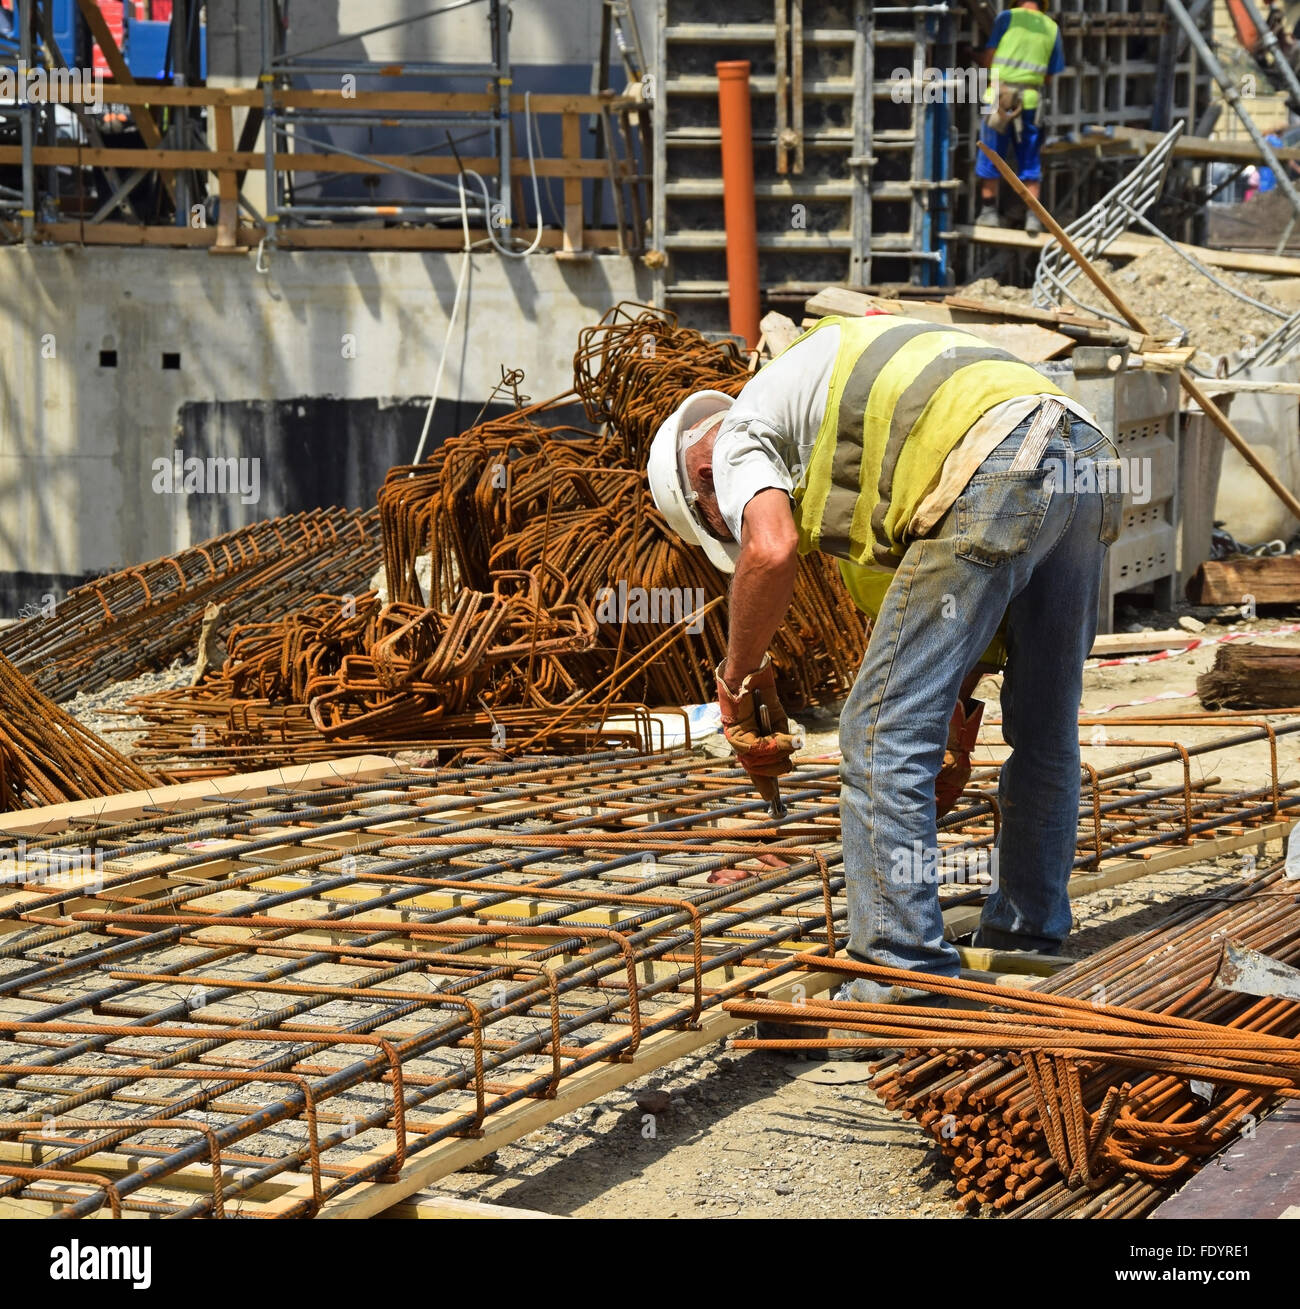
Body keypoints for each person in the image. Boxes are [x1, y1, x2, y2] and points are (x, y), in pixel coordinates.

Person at [647, 312, 1122, 1003]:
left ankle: (899, 968)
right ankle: (1025, 937)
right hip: (1077, 451)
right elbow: (962, 608)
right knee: (1045, 725)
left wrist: (736, 677)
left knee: (875, 731)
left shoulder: (741, 430)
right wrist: (953, 715)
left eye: (719, 522)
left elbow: (770, 549)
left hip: (992, 452)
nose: (735, 524)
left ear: (702, 477)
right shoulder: (850, 441)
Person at [975, 1, 1066, 232]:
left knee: (991, 153)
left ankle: (988, 213)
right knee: (1030, 158)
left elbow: (989, 59)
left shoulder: (1006, 18)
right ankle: (1033, 218)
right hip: (1030, 101)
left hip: (998, 97)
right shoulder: (1051, 28)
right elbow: (1049, 76)